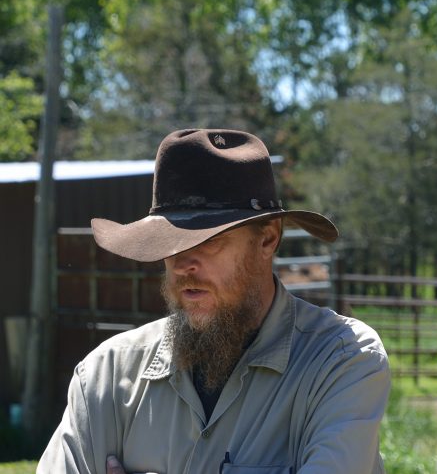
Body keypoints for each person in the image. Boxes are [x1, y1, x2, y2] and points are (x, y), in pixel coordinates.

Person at [37, 129, 391, 474]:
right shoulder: (108, 376)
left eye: (207, 241)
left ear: (267, 239)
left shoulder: (340, 360)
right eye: (167, 243)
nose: (183, 264)